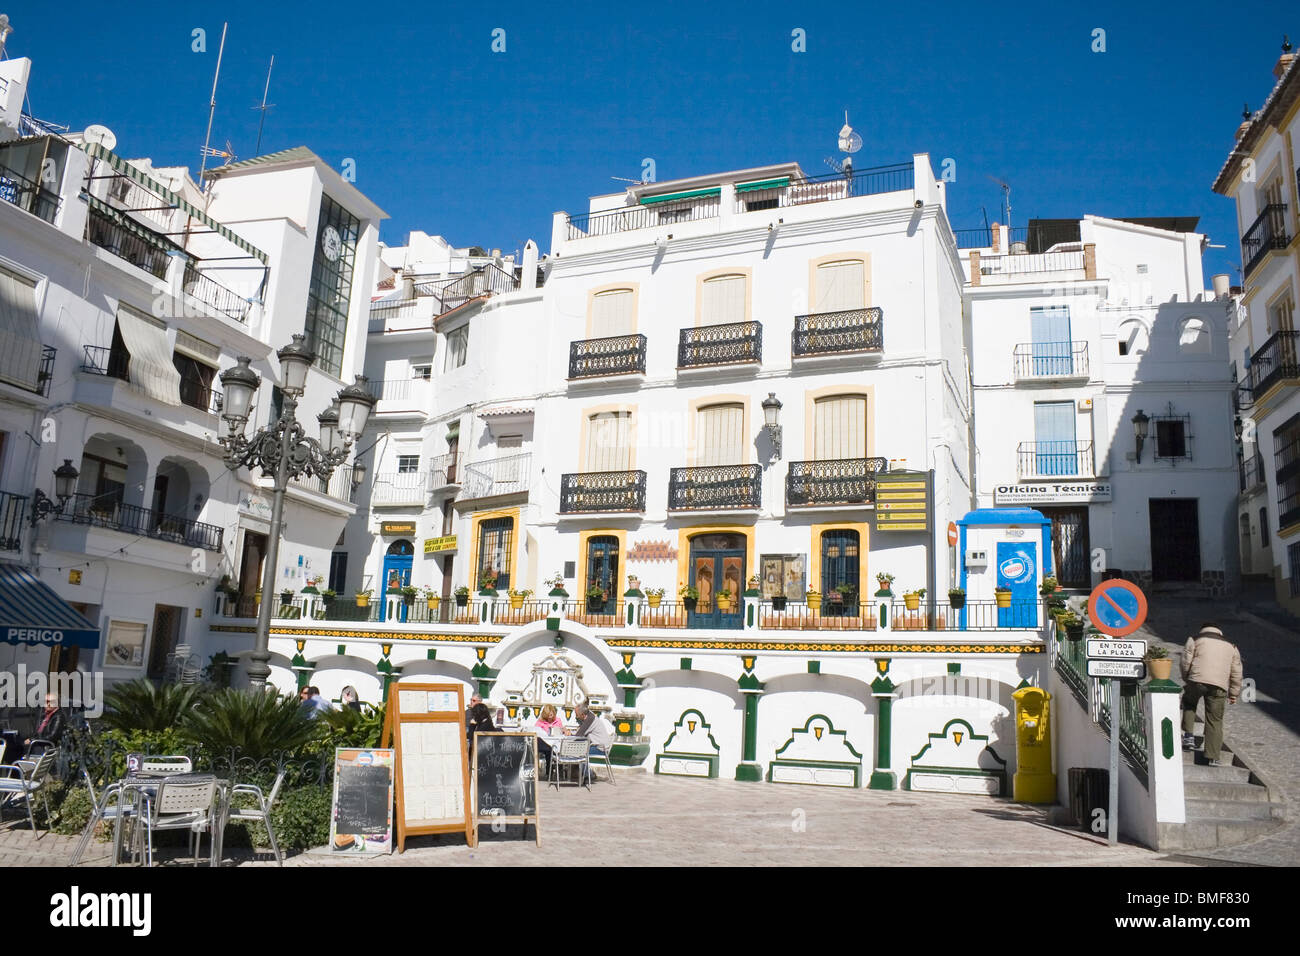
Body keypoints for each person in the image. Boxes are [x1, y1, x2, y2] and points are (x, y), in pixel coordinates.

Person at [1181, 624, 1243, 765]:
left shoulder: (1195, 639)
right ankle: (1213, 756)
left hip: (1196, 680)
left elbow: (1185, 661)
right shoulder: (1231, 646)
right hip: (1219, 685)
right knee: (1215, 720)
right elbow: (1236, 672)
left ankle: (1189, 736)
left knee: (1189, 703)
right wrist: (1233, 694)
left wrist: (1187, 678)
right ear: (1219, 632)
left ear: (1202, 630)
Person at [574, 702, 614, 785]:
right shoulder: (590, 715)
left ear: (582, 714)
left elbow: (578, 736)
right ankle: (588, 773)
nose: (576, 717)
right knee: (580, 750)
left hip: (601, 748)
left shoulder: (589, 720)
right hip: (600, 745)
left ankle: (588, 775)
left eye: (577, 714)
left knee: (580, 752)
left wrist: (569, 734)